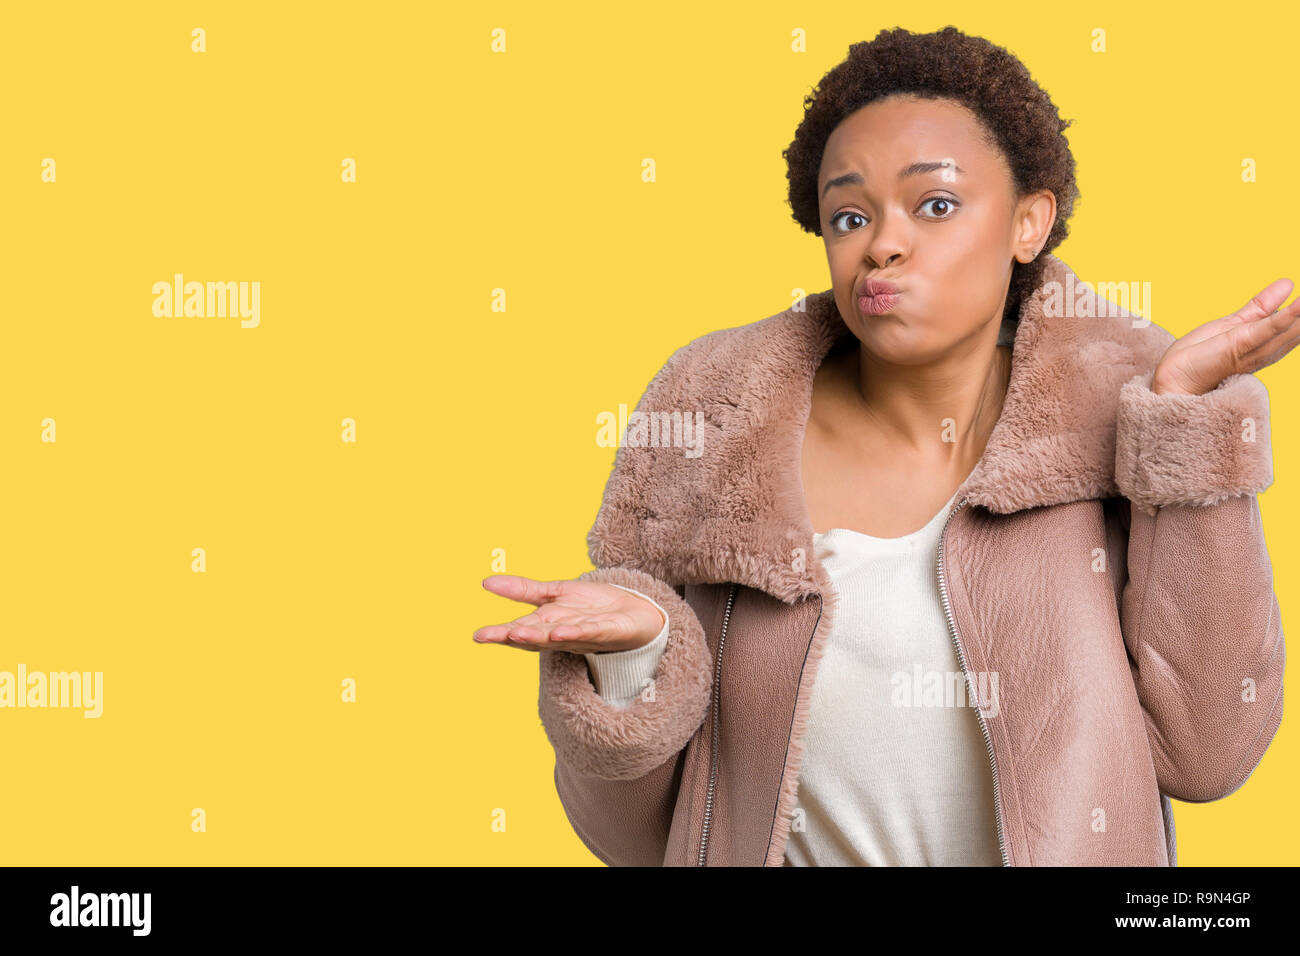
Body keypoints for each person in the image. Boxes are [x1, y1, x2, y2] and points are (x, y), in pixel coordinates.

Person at [472, 26, 1291, 866]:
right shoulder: (713, 434)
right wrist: (637, 660)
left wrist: (1188, 433)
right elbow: (636, 840)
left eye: (935, 205)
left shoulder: (1123, 430)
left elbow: (1210, 753)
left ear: (1029, 222)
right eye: (849, 215)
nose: (882, 245)